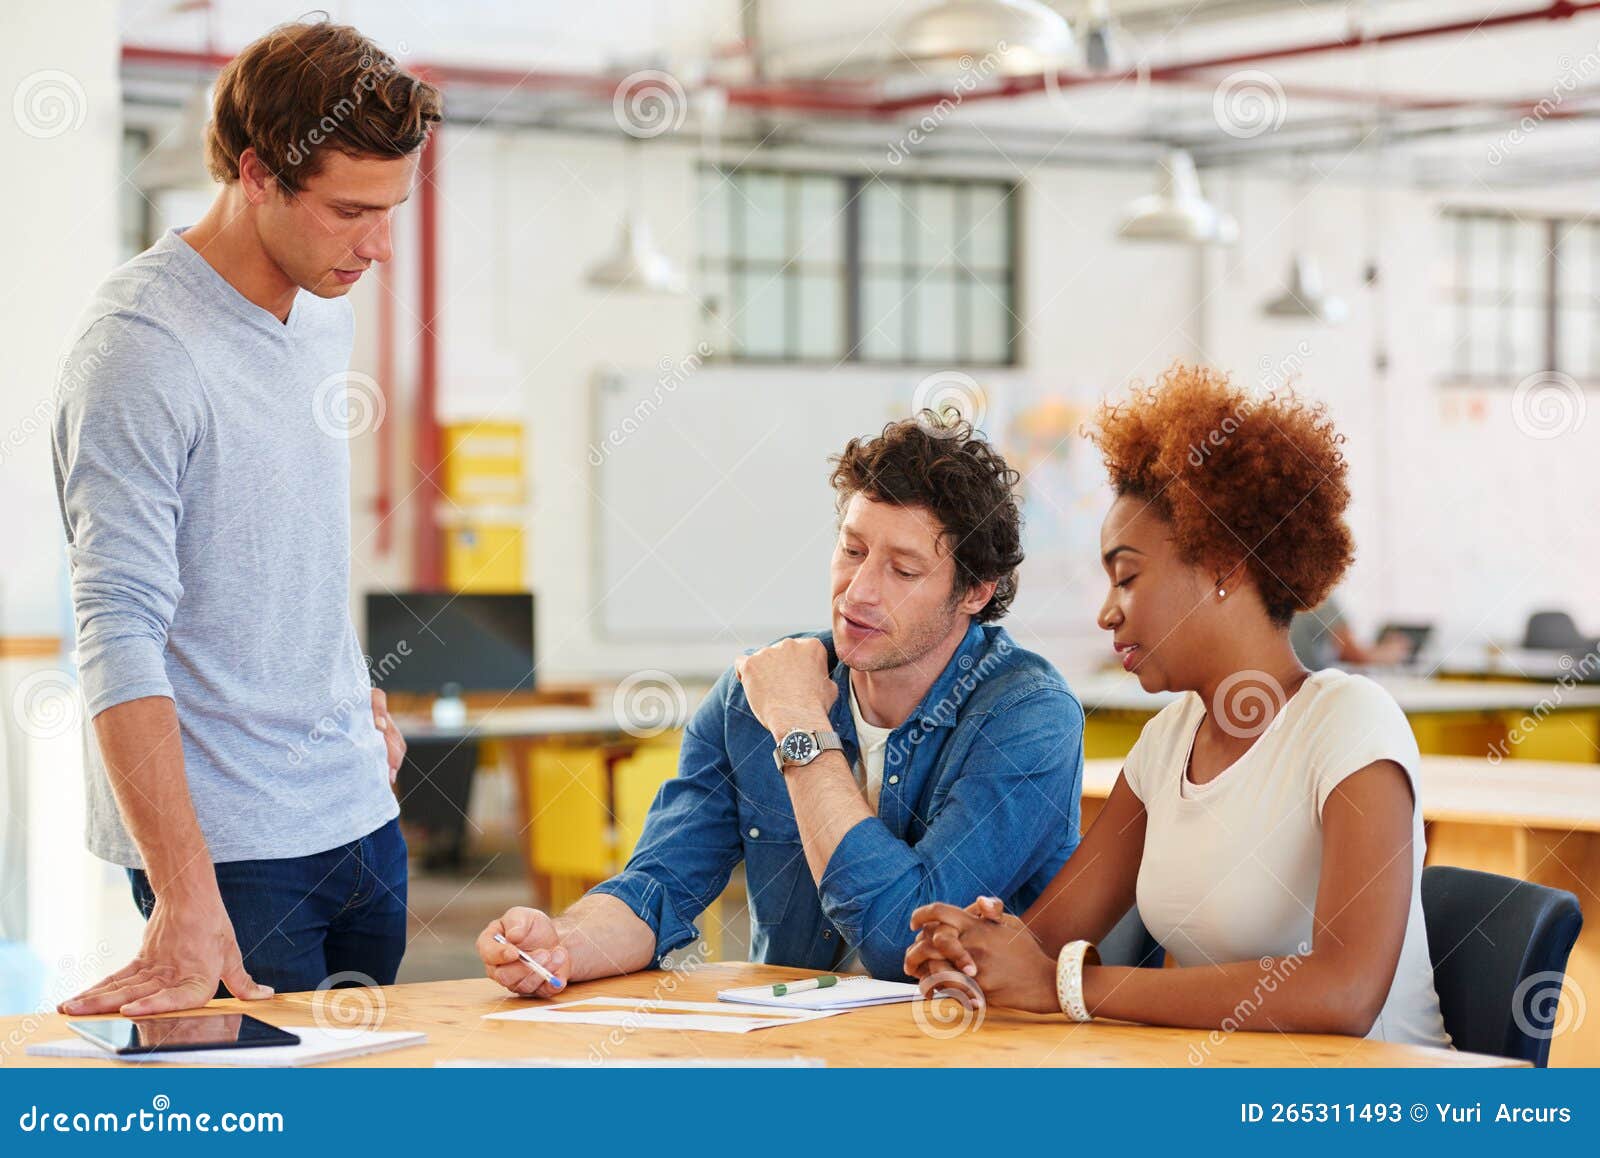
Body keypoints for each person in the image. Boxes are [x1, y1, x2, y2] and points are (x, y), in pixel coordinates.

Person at [53, 19, 441, 1016]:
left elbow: (282, 540)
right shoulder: (141, 349)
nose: (379, 246)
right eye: (352, 211)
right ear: (259, 174)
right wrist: (185, 894)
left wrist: (351, 690)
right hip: (234, 856)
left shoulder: (324, 306)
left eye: (392, 210)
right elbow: (117, 628)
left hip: (358, 818)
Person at [905, 363, 1450, 1047]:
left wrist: (1067, 989)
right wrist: (974, 948)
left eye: (1126, 576)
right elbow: (1041, 947)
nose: (1107, 612)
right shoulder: (1167, 745)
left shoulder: (1349, 723)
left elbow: (1344, 993)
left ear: (1221, 563)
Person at [478, 414, 1084, 991]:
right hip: (796, 1042)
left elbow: (902, 941)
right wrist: (561, 945)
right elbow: (660, 885)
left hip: (966, 1056)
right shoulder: (756, 692)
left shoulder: (1028, 716)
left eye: (903, 570)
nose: (859, 592)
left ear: (975, 592)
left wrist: (800, 728)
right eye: (851, 551)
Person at [1290, 593, 1410, 669]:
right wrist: (1390, 652)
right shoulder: (1318, 594)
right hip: (1307, 690)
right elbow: (1352, 654)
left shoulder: (1277, 590)